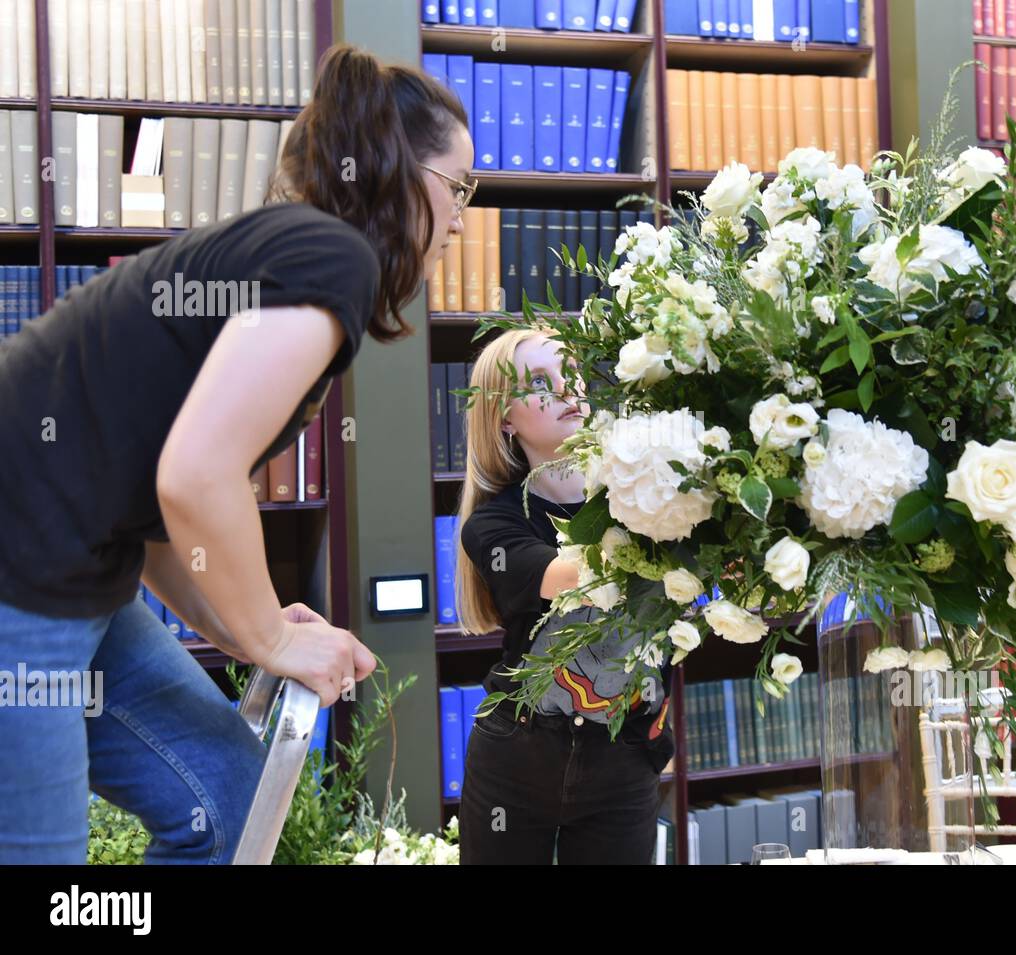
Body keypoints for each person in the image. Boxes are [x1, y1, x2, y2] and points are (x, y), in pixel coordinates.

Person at [0, 43, 476, 864]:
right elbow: (196, 475)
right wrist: (270, 637)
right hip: (20, 573)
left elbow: (158, 515)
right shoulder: (332, 258)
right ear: (400, 174)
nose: (465, 219)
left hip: (84, 570)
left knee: (226, 793)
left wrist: (247, 624)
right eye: (460, 187)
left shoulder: (287, 255)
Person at [455, 328, 675, 865]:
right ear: (504, 418)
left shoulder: (645, 489)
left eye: (571, 374)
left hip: (624, 756)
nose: (567, 390)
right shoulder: (493, 526)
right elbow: (571, 576)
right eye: (538, 383)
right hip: (517, 758)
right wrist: (676, 513)